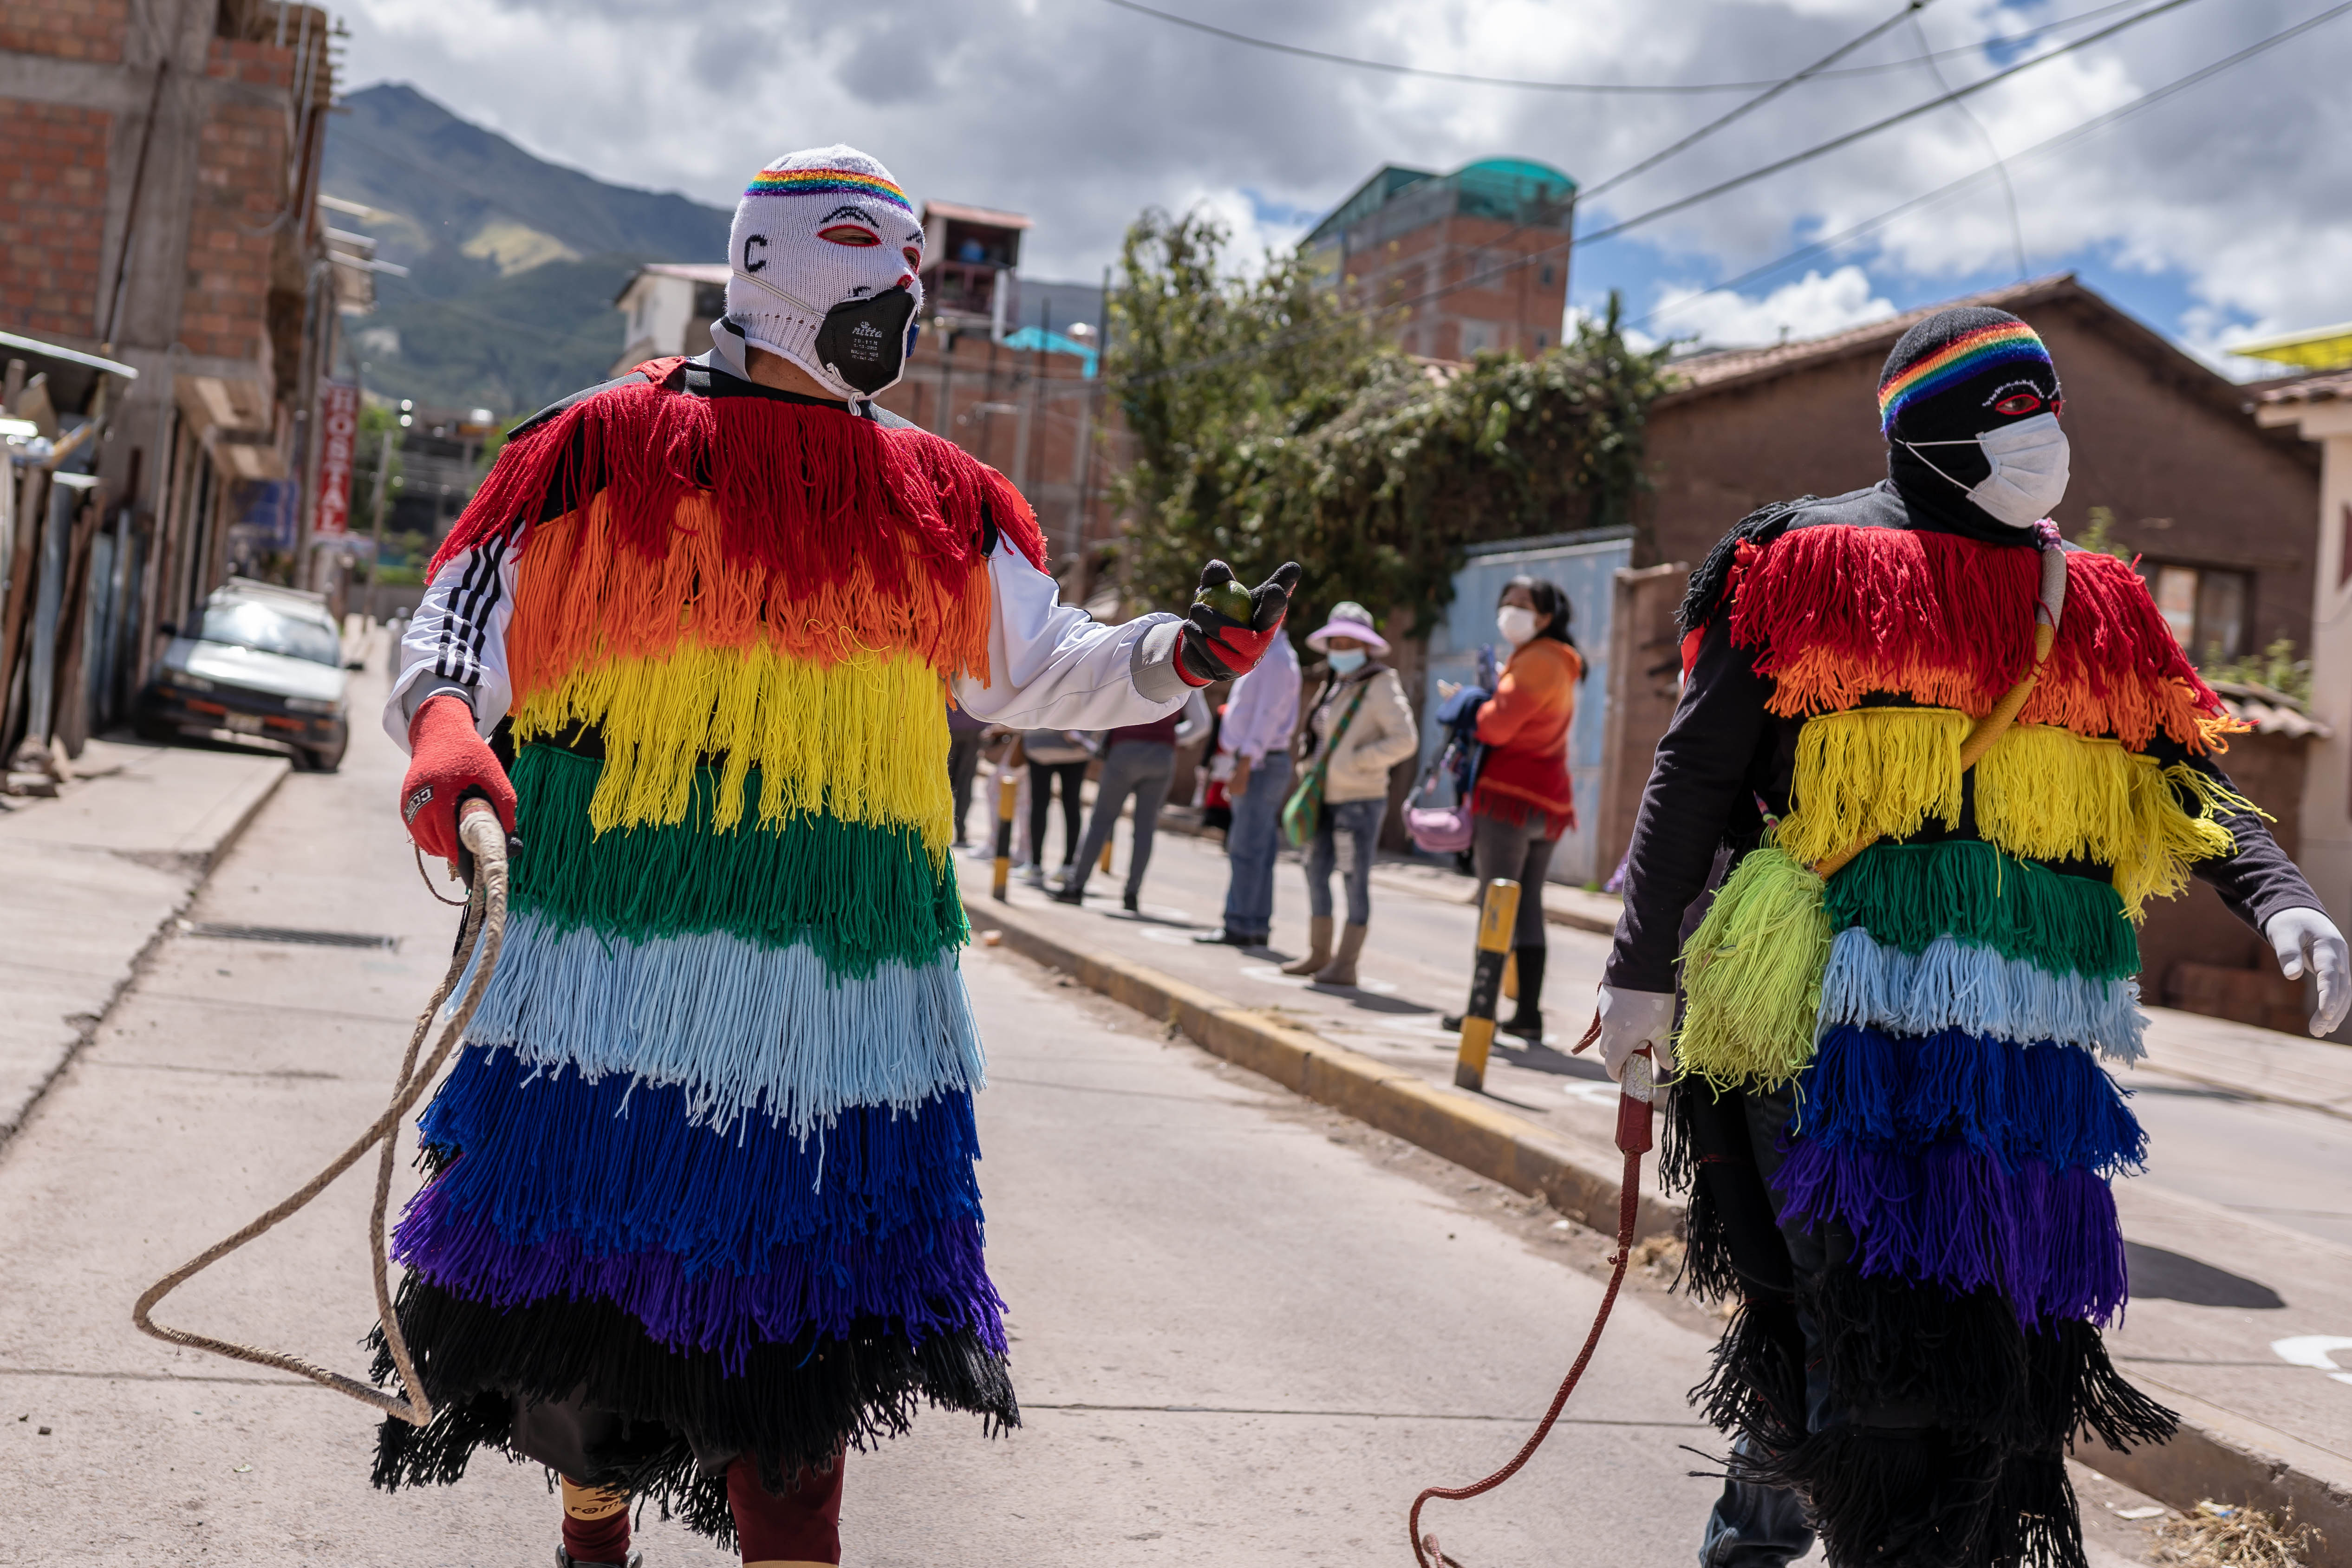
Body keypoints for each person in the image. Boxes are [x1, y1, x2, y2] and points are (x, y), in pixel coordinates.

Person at [378, 143, 1300, 1568]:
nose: (899, 301)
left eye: (909, 273)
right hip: (608, 983)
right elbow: (456, 618)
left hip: (833, 1010)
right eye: (870, 265)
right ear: (774, 271)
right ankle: (589, 1533)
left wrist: (1173, 653)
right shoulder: (600, 452)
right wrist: (443, 724)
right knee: (581, 1341)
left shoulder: (940, 498)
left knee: (796, 1378)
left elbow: (1037, 665)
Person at [1580, 305, 2352, 1568]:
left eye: (2050, 406)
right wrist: (1638, 976)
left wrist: (2281, 894)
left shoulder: (2096, 602)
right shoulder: (1799, 557)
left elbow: (2180, 777)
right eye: (2010, 411)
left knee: (1980, 1337)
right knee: (1863, 1335)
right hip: (1822, 1010)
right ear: (1927, 429)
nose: (2044, 436)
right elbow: (1696, 773)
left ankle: (1765, 1523)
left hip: (2022, 1044)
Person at [1441, 577, 1582, 1041]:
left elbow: (1498, 726)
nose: (1511, 610)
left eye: (1523, 604)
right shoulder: (1557, 660)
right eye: (1507, 601)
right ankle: (1526, 1014)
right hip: (1548, 799)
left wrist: (1470, 707)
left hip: (1510, 799)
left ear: (1545, 617)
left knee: (1497, 904)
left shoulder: (1540, 659)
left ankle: (1480, 1010)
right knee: (1525, 907)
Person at [1281, 601, 1418, 986]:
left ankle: (1346, 964)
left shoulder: (1380, 683)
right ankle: (1319, 953)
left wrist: (1357, 762)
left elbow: (1404, 740)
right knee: (1314, 871)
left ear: (1367, 646)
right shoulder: (1333, 682)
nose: (1342, 648)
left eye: (1350, 642)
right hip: (1323, 796)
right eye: (1336, 641)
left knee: (1353, 879)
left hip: (1358, 799)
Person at [1052, 687, 1210, 910]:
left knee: (1101, 821)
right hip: (1162, 755)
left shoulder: (1132, 660)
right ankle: (1132, 894)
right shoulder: (1187, 673)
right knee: (1145, 828)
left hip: (1124, 750)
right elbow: (1202, 724)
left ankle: (1076, 887)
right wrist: (1173, 738)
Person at [1195, 625, 1302, 948]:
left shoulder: (1277, 660)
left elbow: (1266, 717)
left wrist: (1244, 764)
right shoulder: (1269, 656)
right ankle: (1252, 923)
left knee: (1246, 848)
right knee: (1258, 848)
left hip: (1258, 763)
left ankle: (1240, 924)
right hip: (1257, 761)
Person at [1020, 726, 1094, 887]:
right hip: (1077, 746)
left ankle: (1035, 866)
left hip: (1040, 744)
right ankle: (1068, 867)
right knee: (1072, 804)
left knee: (1039, 805)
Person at [945, 697, 987, 848]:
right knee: (964, 783)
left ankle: (941, 830)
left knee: (945, 782)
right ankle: (960, 833)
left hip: (950, 722)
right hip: (973, 722)